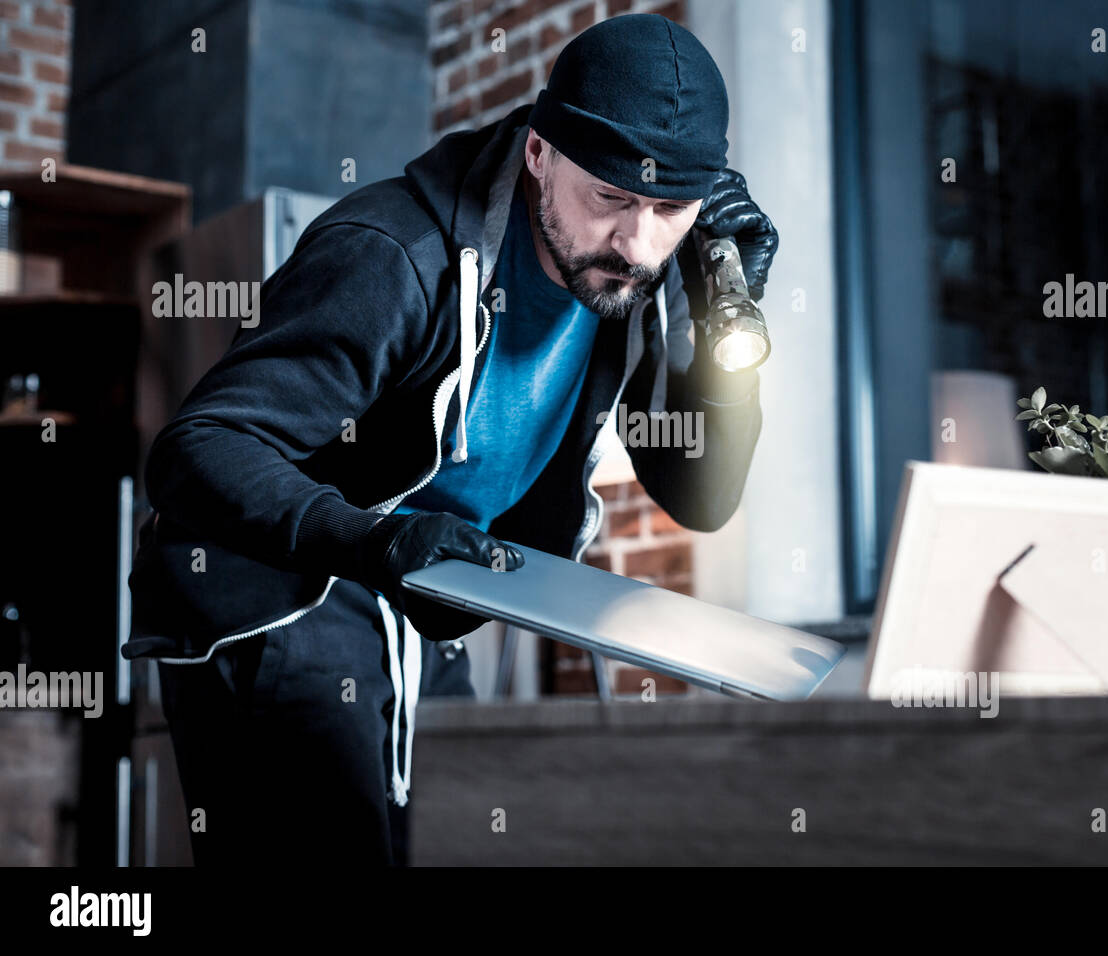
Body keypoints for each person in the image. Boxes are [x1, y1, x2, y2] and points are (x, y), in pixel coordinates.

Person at [123, 13, 778, 865]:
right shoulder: (391, 252)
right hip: (289, 591)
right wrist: (377, 540)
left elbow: (703, 497)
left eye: (671, 209)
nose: (637, 242)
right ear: (540, 152)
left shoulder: (632, 277)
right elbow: (196, 450)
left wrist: (732, 309)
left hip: (415, 592)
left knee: (452, 839)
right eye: (612, 198)